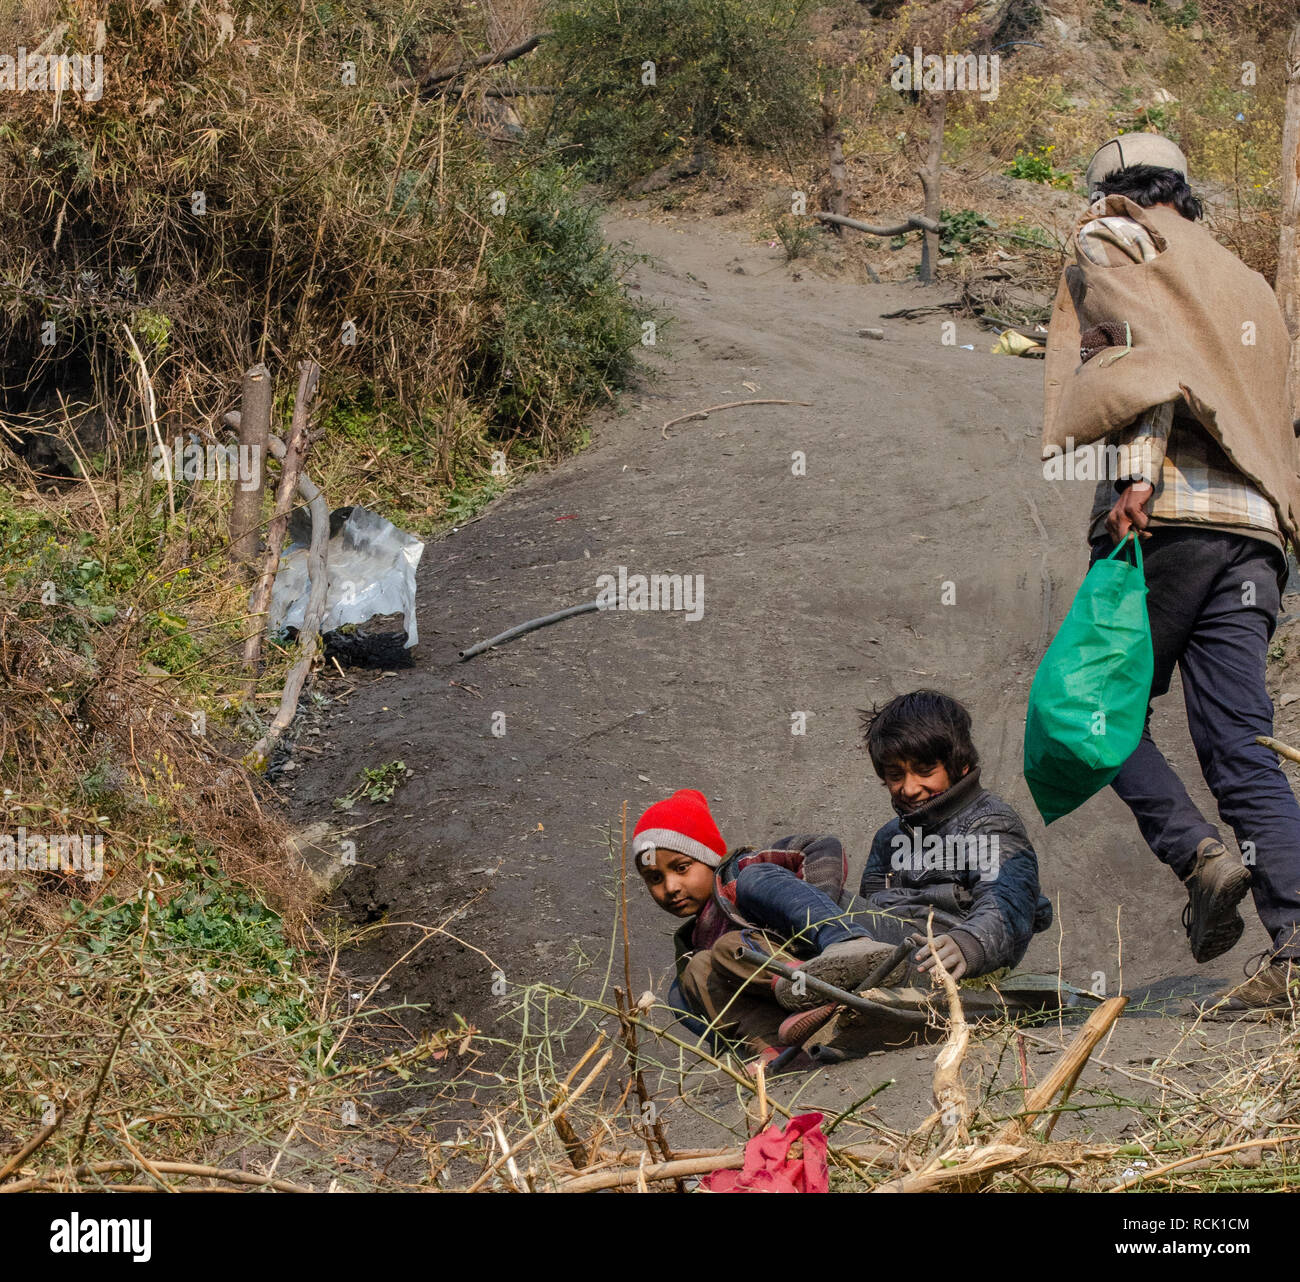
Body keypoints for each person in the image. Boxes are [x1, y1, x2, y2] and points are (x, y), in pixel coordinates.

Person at [1042, 133, 1300, 1012]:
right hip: (1260, 535)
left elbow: (1138, 362)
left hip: (1172, 519)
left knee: (1089, 708)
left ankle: (1200, 857)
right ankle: (1298, 948)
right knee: (1239, 743)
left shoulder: (1114, 241)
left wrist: (1139, 471)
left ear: (1110, 191)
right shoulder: (1244, 277)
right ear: (1182, 191)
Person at [634, 788, 903, 1059]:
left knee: (748, 897)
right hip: (797, 998)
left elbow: (822, 845)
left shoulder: (740, 871)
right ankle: (777, 1048)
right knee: (688, 981)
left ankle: (846, 944)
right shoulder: (695, 943)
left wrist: (813, 910)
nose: (670, 887)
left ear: (709, 858)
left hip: (850, 944)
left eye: (681, 868)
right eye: (655, 878)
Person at [854, 690, 1053, 985]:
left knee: (790, 887)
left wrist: (967, 943)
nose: (909, 788)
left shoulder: (990, 823)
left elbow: (1007, 904)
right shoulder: (888, 837)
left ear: (960, 765)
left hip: (934, 958)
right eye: (896, 775)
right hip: (880, 941)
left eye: (924, 771)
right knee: (799, 869)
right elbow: (869, 905)